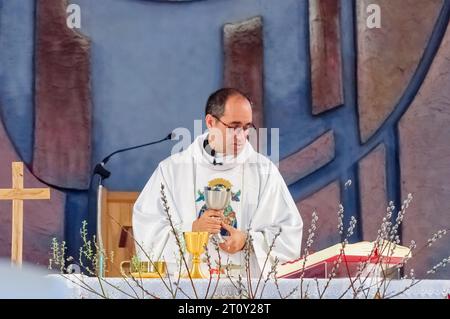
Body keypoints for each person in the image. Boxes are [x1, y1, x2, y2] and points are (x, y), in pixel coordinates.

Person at [133, 88, 303, 276]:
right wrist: (191, 230)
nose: (241, 136)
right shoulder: (172, 170)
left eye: (247, 127)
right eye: (233, 127)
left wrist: (247, 241)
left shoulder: (264, 171)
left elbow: (289, 234)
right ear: (210, 122)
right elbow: (147, 232)